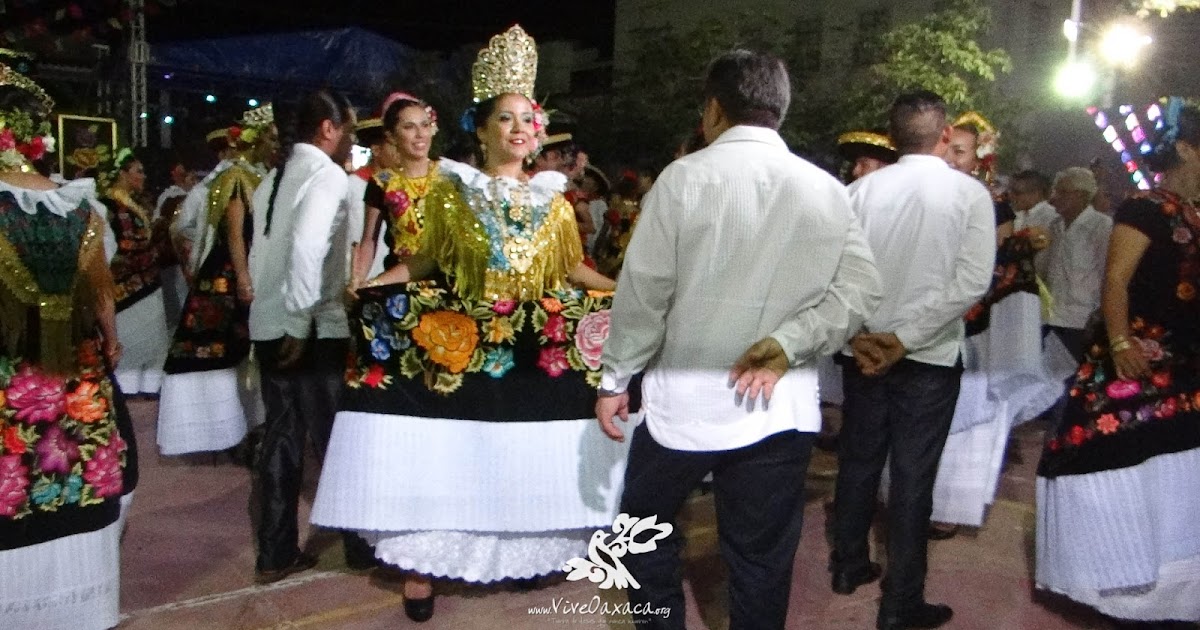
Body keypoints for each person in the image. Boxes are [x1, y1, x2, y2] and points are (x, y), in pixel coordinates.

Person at [310, 25, 622, 623]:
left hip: (529, 350)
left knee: (522, 450)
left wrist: (625, 292)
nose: (519, 128)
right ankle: (422, 567)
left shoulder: (556, 203)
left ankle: (531, 543)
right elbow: (425, 260)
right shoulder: (454, 195)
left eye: (528, 119)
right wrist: (374, 285)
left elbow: (573, 270)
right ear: (481, 130)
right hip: (462, 344)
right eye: (505, 118)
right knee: (442, 451)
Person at [597, 50, 881, 630]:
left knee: (642, 534)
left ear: (713, 109)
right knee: (761, 560)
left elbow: (646, 292)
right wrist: (791, 341)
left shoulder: (682, 179)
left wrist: (614, 378)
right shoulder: (826, 189)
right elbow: (861, 289)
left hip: (685, 401)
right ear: (780, 109)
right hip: (778, 405)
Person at [831, 90, 995, 630]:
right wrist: (906, 337)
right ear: (945, 133)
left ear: (893, 135)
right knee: (911, 476)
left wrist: (869, 337)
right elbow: (971, 282)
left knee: (858, 459)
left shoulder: (858, 192)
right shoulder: (969, 195)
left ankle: (847, 563)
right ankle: (900, 603)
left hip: (867, 350)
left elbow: (836, 274)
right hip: (925, 355)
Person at [1035, 100, 1200, 626]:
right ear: (1185, 148)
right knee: (1121, 456)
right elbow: (1116, 282)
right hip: (1138, 359)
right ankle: (1117, 585)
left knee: (1179, 478)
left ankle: (1175, 590)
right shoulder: (1146, 207)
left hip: (1188, 364)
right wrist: (1124, 344)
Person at [0, 65, 135, 630]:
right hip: (77, 374)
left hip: (11, 375)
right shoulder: (82, 207)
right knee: (81, 473)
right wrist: (109, 340)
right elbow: (101, 296)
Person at [246, 89, 368, 583]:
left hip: (270, 325)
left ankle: (275, 551)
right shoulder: (324, 175)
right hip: (311, 328)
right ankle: (361, 546)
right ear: (327, 129)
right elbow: (308, 249)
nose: (353, 139)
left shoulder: (272, 178)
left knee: (281, 438)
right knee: (337, 439)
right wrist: (300, 322)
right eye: (351, 130)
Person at [155, 104, 276, 457]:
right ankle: (224, 432)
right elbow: (236, 235)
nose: (275, 145)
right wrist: (243, 279)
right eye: (270, 138)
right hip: (230, 274)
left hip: (248, 270)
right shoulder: (237, 178)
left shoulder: (258, 176)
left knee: (243, 351)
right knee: (223, 351)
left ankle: (246, 426)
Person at [348, 93, 440, 293]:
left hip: (445, 284)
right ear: (391, 136)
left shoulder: (450, 177)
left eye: (425, 125)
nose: (420, 134)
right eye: (409, 127)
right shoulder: (383, 182)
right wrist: (358, 282)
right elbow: (369, 240)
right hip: (398, 287)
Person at [101, 149, 170, 395]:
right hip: (125, 287)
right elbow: (112, 248)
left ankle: (148, 387)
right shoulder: (108, 205)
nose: (143, 177)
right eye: (138, 172)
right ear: (122, 174)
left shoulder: (134, 204)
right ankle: (126, 388)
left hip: (148, 282)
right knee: (131, 337)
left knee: (153, 338)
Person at [1038, 167, 1113, 363]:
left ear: (1080, 195)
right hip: (1050, 318)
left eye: (1061, 192)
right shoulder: (1055, 226)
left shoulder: (1102, 227)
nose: (1053, 198)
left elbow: (1109, 274)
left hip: (1081, 322)